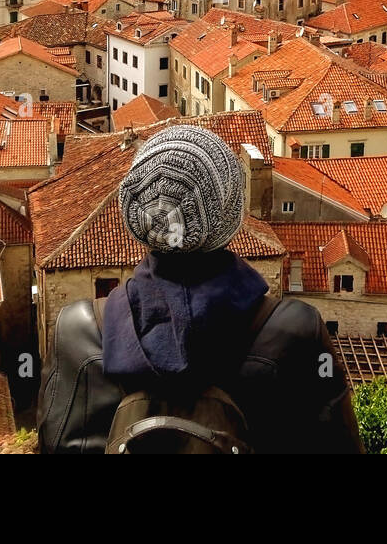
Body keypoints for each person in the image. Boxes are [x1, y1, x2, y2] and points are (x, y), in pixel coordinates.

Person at [37, 124, 362, 453]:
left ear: (137, 219)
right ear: (230, 218)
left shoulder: (75, 330)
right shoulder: (297, 331)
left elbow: (55, 442)